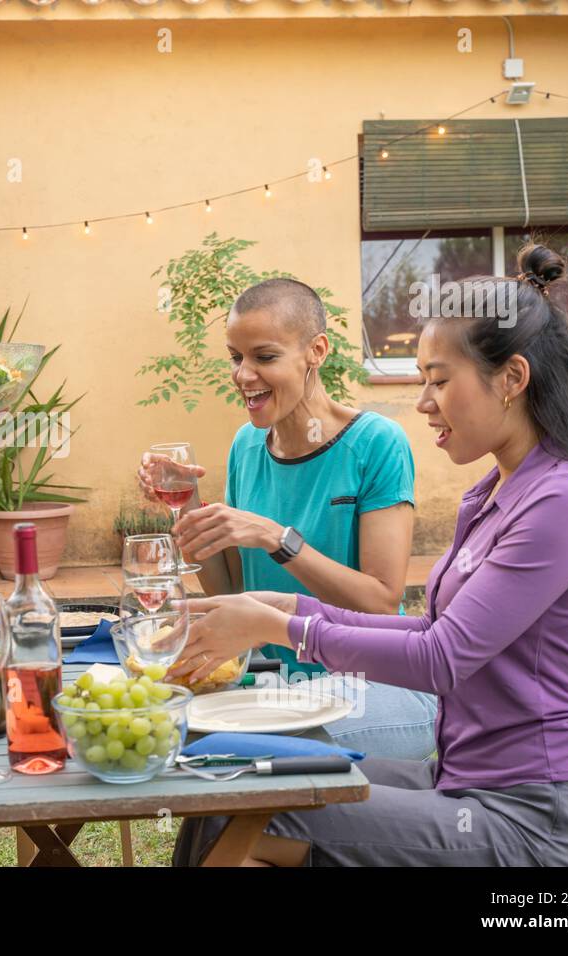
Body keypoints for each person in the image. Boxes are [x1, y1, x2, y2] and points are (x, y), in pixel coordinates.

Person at [170, 245, 568, 866]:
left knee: (245, 809)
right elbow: (431, 629)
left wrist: (283, 627)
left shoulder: (565, 501)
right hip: (465, 785)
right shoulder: (495, 491)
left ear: (512, 378)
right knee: (232, 789)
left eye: (439, 381)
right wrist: (282, 601)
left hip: (538, 827)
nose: (423, 402)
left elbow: (441, 659)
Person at [139, 277, 436, 760]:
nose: (243, 375)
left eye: (265, 357)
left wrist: (278, 538)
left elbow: (380, 604)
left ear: (315, 351)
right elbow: (233, 595)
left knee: (239, 752)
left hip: (376, 681)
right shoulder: (247, 446)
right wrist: (190, 506)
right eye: (236, 357)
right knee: (178, 736)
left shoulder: (376, 443)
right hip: (278, 684)